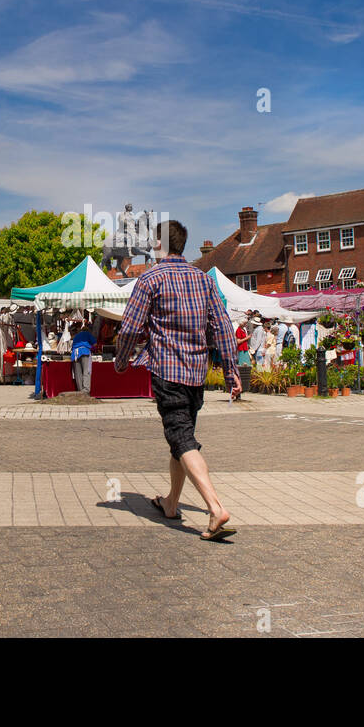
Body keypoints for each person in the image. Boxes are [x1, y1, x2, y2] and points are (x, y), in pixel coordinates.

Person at [115, 219, 239, 542]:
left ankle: (215, 508)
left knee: (182, 439)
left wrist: (121, 361)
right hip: (197, 376)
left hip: (168, 374)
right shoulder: (203, 280)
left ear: (159, 245)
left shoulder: (150, 280)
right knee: (180, 440)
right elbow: (223, 328)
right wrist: (231, 373)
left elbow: (129, 328)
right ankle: (171, 503)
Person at [71, 321, 96, 394]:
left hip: (75, 353)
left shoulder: (76, 335)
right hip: (84, 351)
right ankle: (86, 390)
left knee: (78, 373)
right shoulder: (87, 334)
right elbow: (95, 344)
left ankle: (80, 390)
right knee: (86, 371)